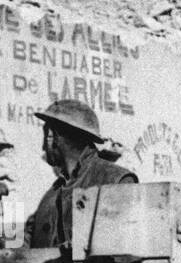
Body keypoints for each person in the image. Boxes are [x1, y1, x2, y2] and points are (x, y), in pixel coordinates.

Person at [24, 100, 137, 249]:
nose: (43, 147)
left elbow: (127, 252)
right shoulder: (51, 195)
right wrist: (2, 239)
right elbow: (26, 242)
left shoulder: (116, 180)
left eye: (46, 136)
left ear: (53, 136)